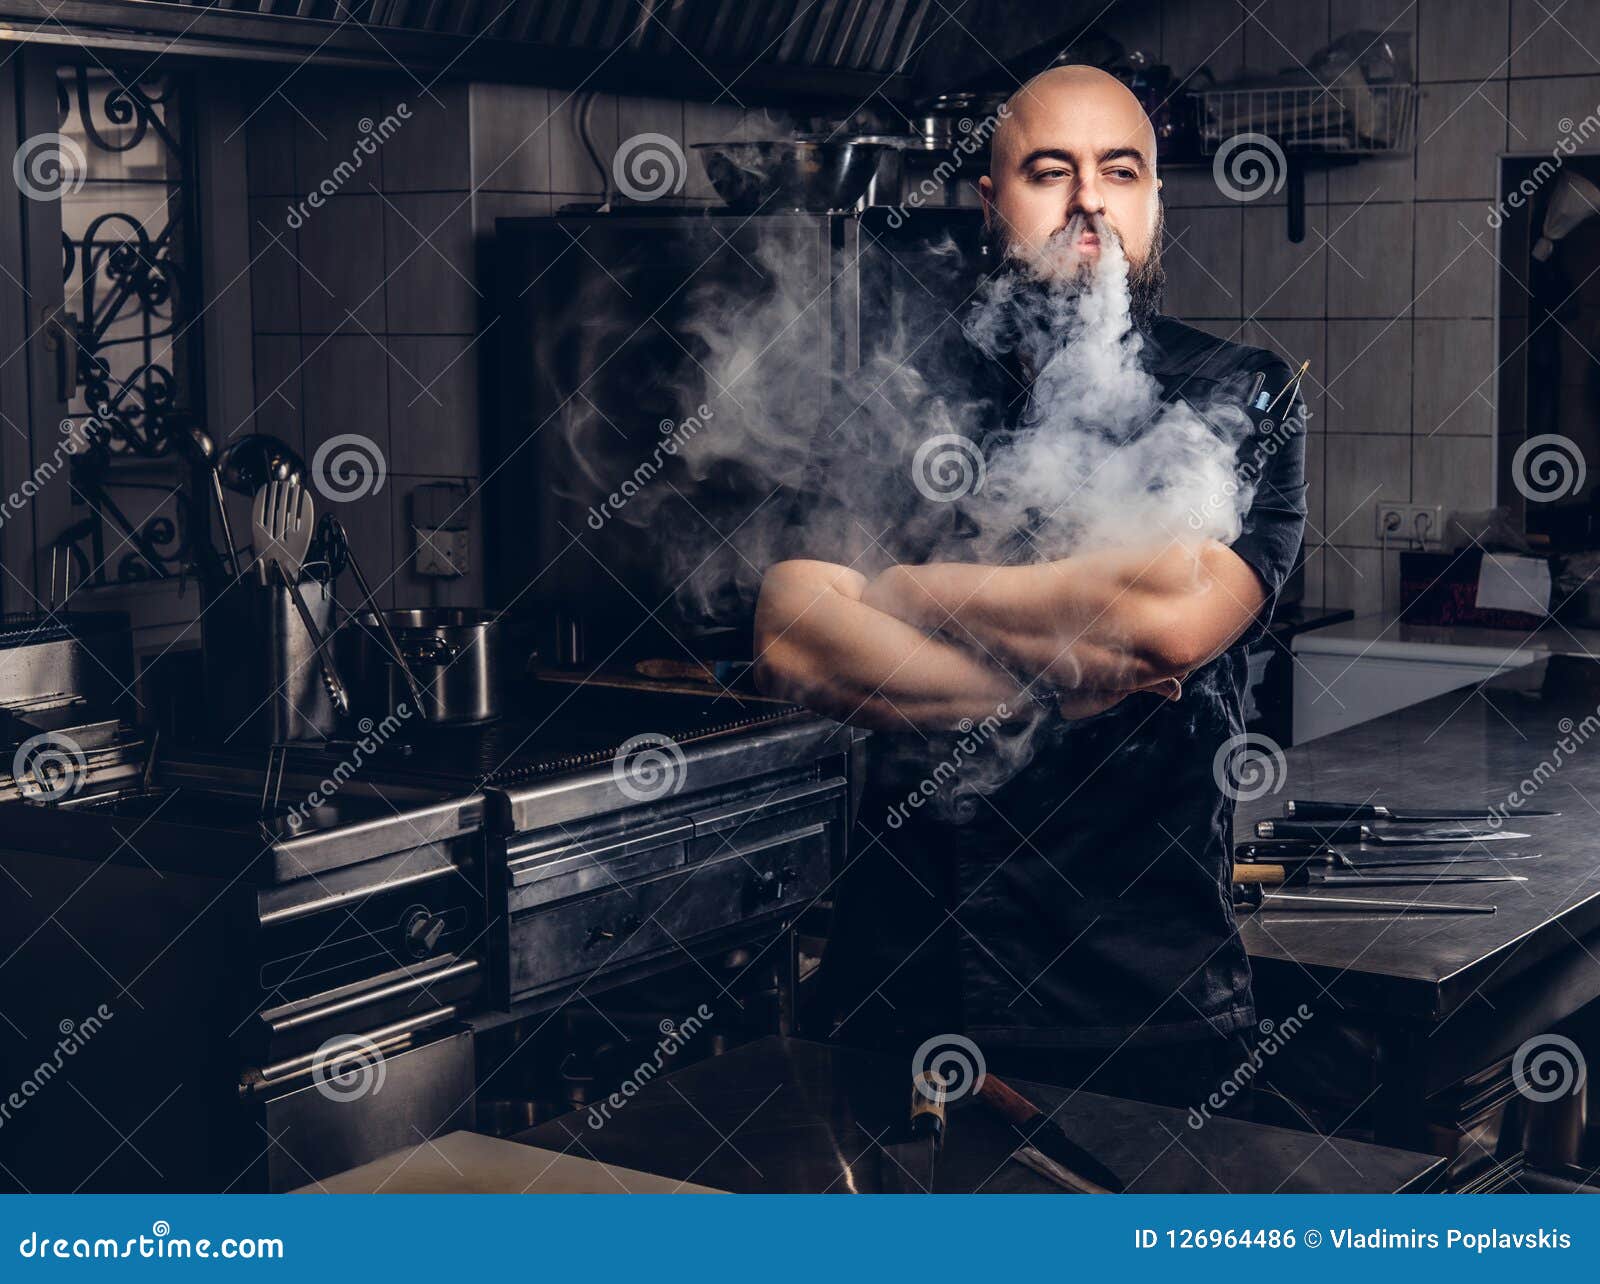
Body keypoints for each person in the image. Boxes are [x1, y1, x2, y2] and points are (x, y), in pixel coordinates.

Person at [752, 65, 1308, 1110]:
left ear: (1153, 201)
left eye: (1119, 171)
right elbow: (792, 636)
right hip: (893, 988)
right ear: (990, 202)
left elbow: (1166, 623)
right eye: (1048, 171)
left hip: (1137, 1001)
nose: (1087, 199)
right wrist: (1057, 680)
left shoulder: (1244, 389)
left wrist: (907, 593)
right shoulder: (899, 391)